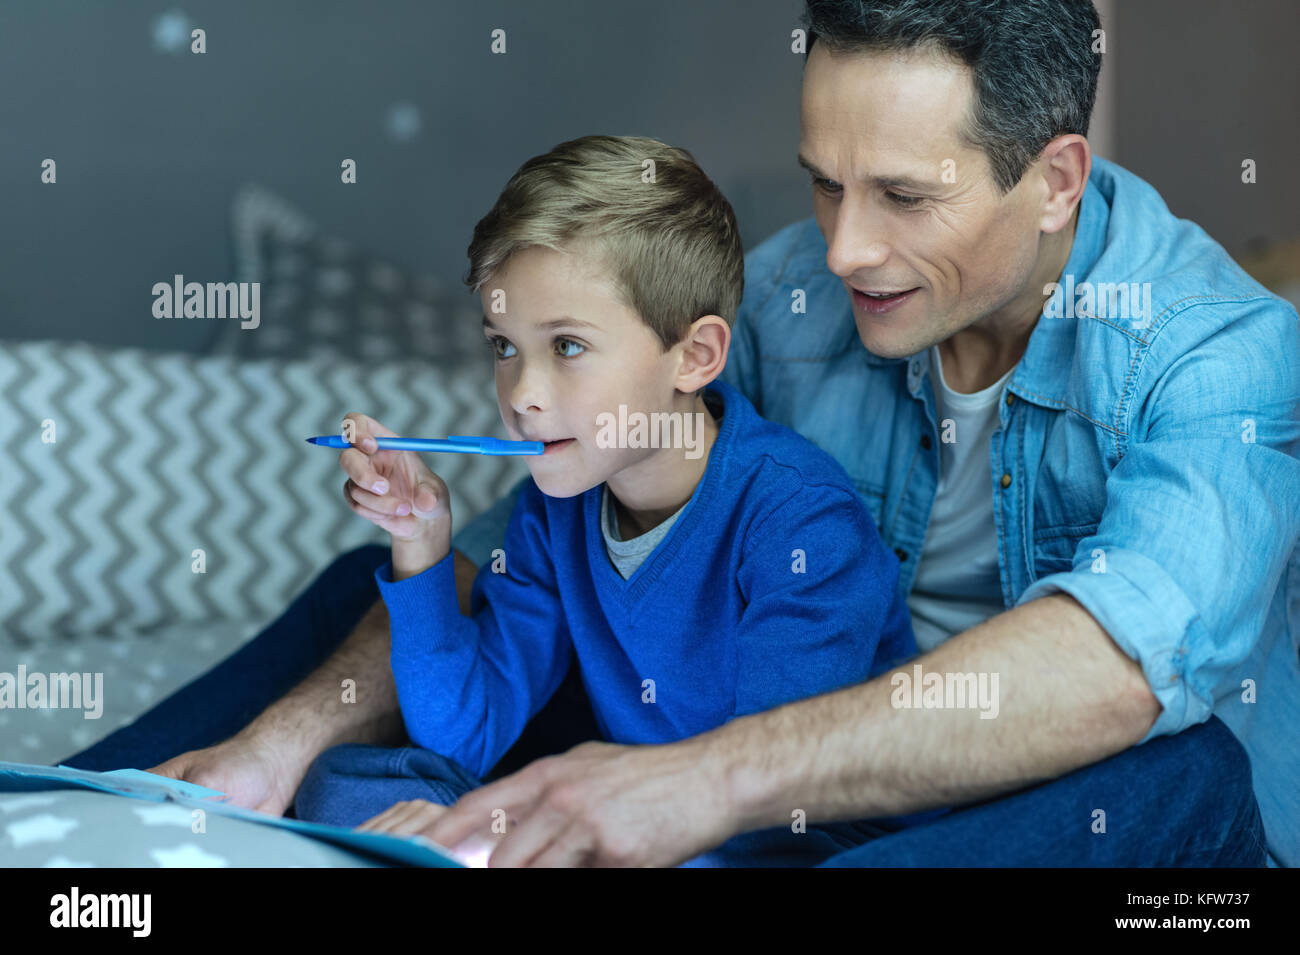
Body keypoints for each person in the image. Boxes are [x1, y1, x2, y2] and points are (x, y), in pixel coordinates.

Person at [67, 0, 1298, 867]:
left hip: (1043, 804)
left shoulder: (1215, 353)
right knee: (396, 589)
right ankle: (84, 826)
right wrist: (281, 740)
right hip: (748, 754)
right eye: (823, 181)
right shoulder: (795, 294)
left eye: (904, 197)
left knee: (1165, 781)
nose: (844, 245)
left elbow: (1114, 670)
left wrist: (691, 785)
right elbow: (527, 552)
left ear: (1057, 180)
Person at [288, 134, 922, 866]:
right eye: (504, 346)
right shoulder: (554, 511)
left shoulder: (802, 521)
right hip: (638, 822)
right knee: (342, 784)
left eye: (566, 346)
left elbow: (772, 806)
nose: (522, 396)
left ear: (695, 356)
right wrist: (421, 540)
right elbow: (466, 734)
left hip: (793, 839)